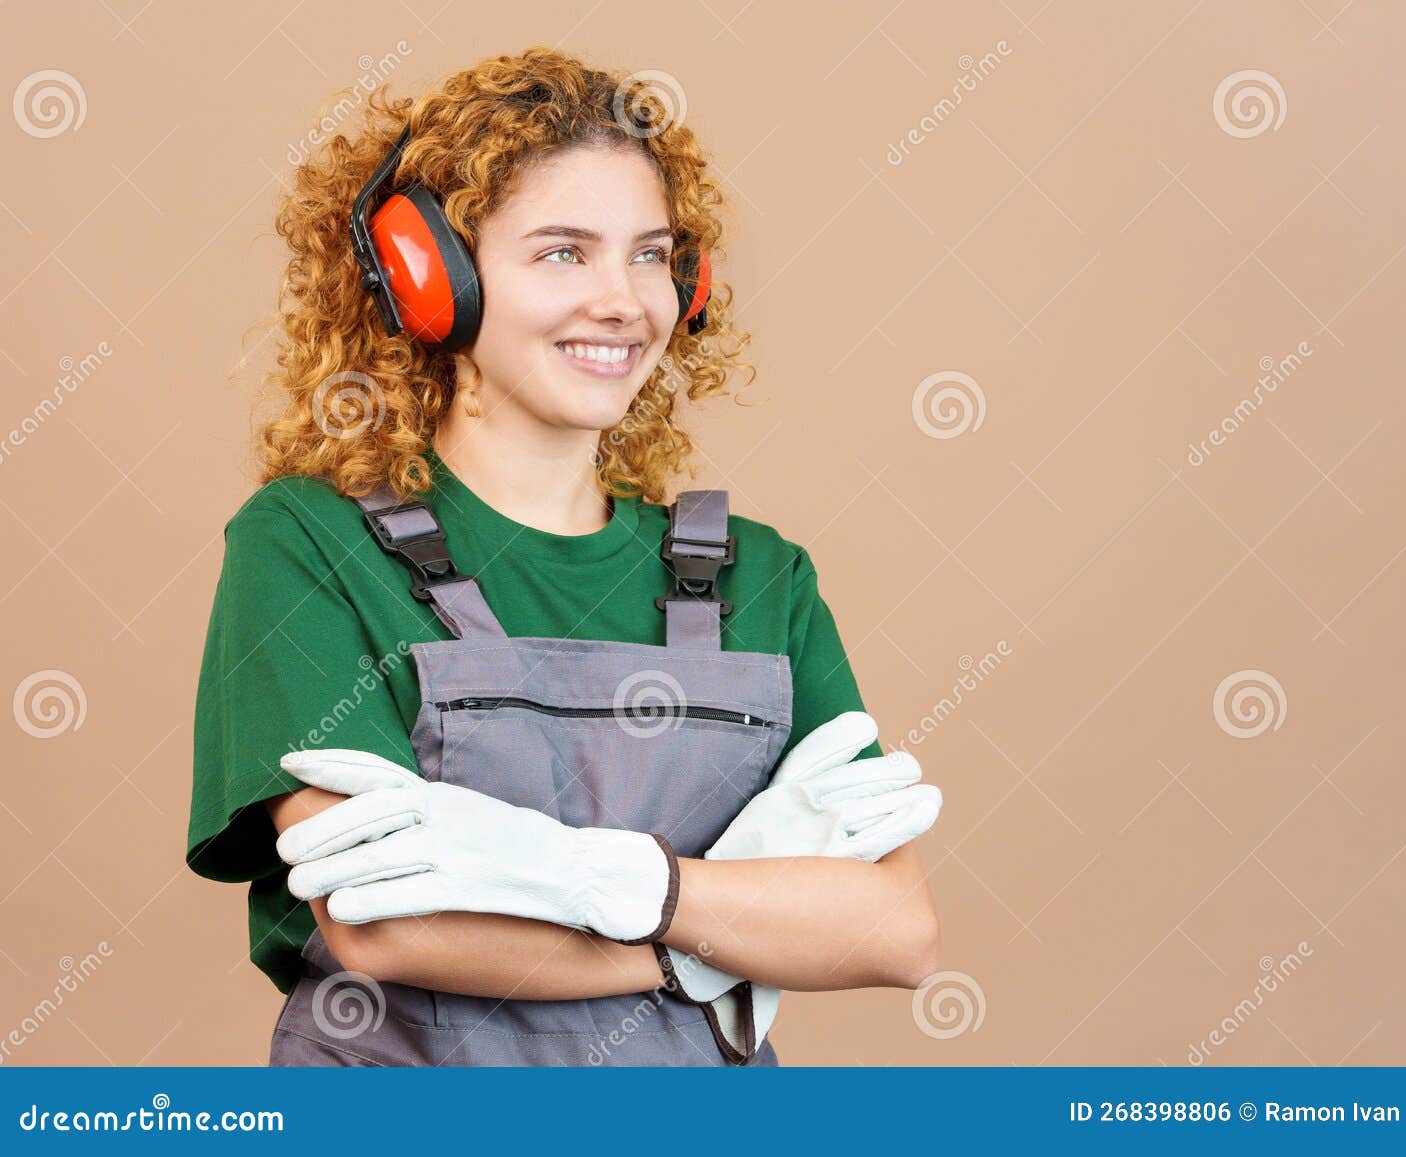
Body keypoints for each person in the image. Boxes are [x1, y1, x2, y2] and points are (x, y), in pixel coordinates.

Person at [184, 45, 942, 1067]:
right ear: (428, 281)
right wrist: (714, 938)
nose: (623, 301)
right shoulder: (308, 542)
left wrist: (606, 886)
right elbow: (387, 921)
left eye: (649, 253)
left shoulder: (762, 576)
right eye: (561, 252)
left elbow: (893, 928)